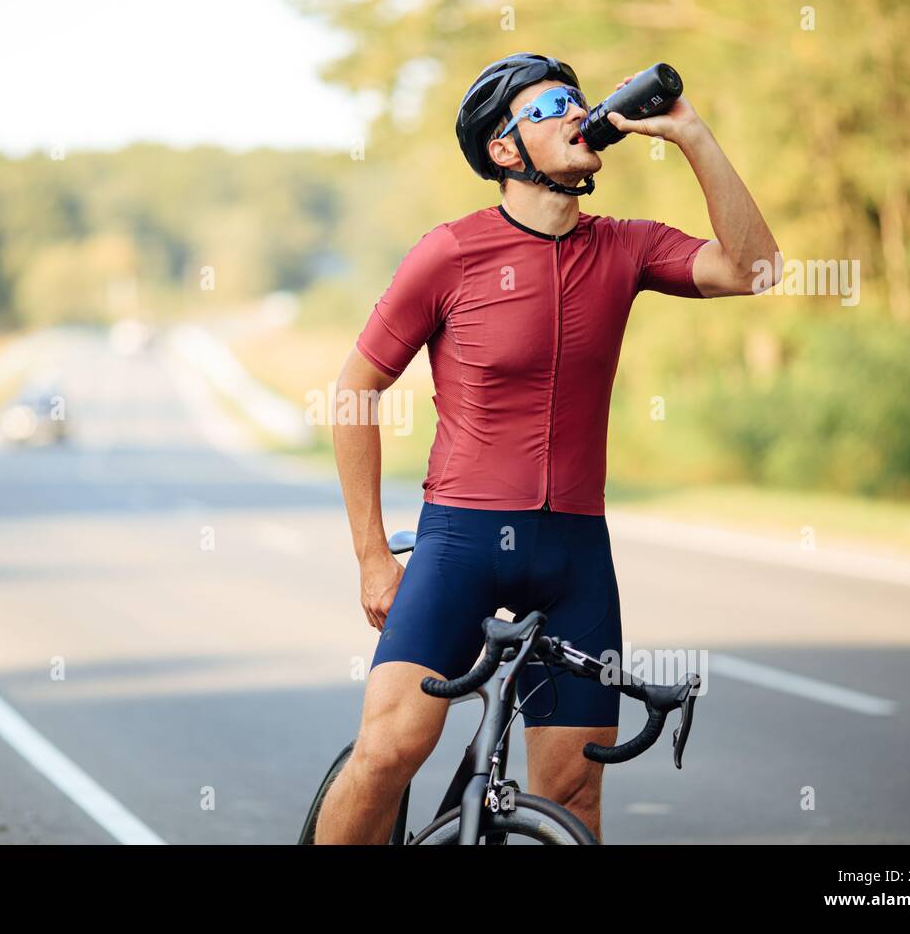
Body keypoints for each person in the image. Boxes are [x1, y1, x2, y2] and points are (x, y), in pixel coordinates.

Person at [317, 53, 778, 844]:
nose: (578, 112)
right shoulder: (450, 253)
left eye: (577, 99)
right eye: (551, 106)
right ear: (505, 150)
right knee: (390, 750)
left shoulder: (626, 247)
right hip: (459, 540)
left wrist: (692, 135)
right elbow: (355, 391)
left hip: (573, 555)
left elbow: (756, 269)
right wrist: (370, 554)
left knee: (573, 796)